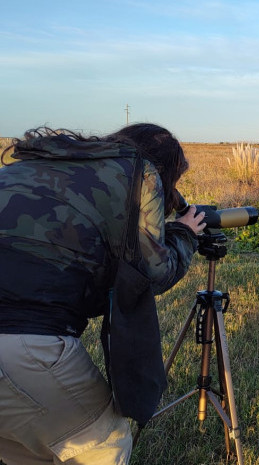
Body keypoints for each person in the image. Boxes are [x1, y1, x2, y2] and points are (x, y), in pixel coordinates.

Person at [0, 124, 206, 464]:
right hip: (25, 338)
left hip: (18, 336)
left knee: (23, 448)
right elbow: (152, 273)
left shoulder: (35, 162)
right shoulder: (139, 174)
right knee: (104, 441)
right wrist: (184, 233)